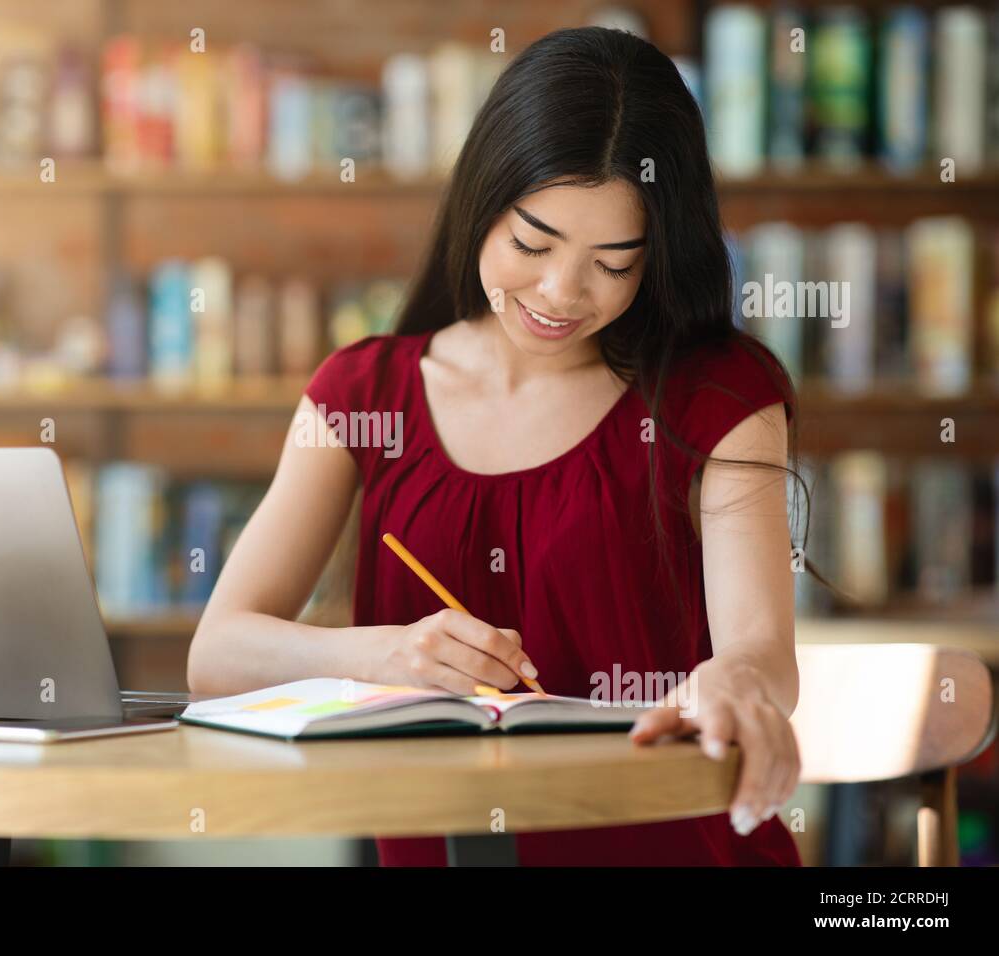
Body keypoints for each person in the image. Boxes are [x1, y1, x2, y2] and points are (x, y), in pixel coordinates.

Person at [189, 26, 804, 866]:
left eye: (613, 263)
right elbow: (217, 653)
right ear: (482, 201)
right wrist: (380, 655)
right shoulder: (361, 394)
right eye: (531, 243)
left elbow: (762, 653)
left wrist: (736, 683)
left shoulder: (719, 396)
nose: (561, 292)